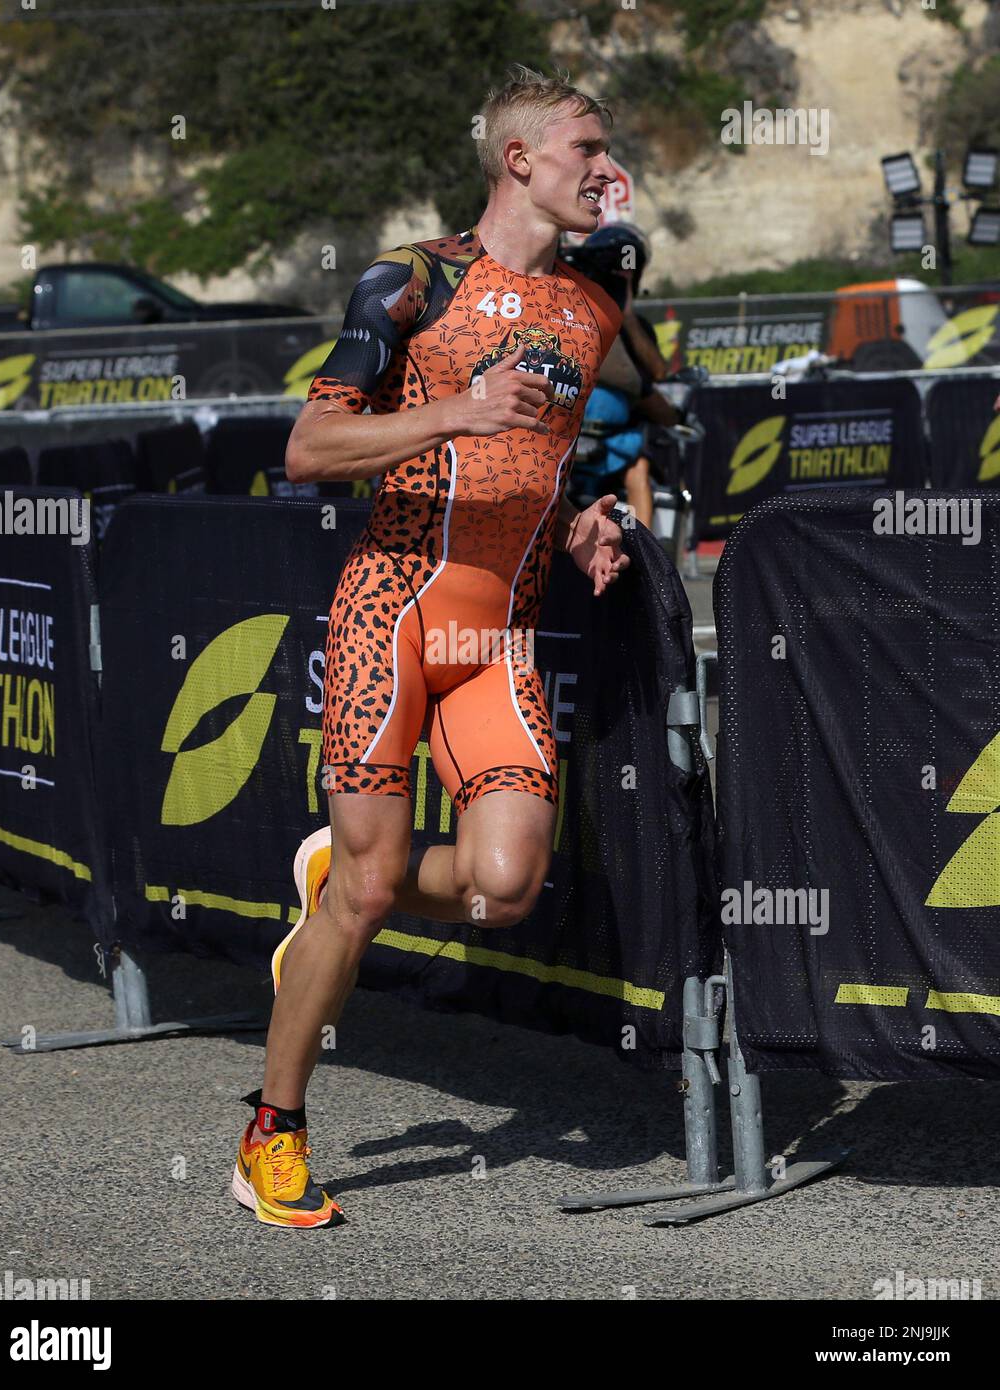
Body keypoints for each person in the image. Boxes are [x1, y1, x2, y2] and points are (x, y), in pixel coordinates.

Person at [231, 65, 631, 1228]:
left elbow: (537, 457)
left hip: (500, 628)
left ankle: (344, 878)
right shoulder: (412, 278)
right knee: (360, 895)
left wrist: (581, 519)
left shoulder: (598, 292)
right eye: (580, 148)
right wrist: (458, 407)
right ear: (515, 161)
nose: (602, 169)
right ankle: (274, 1130)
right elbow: (309, 448)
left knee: (504, 886)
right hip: (392, 614)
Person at [564, 223, 681, 528]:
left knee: (639, 469)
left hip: (618, 439)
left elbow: (656, 371)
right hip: (570, 434)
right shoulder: (570, 316)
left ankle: (645, 552)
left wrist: (626, 315)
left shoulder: (636, 327)